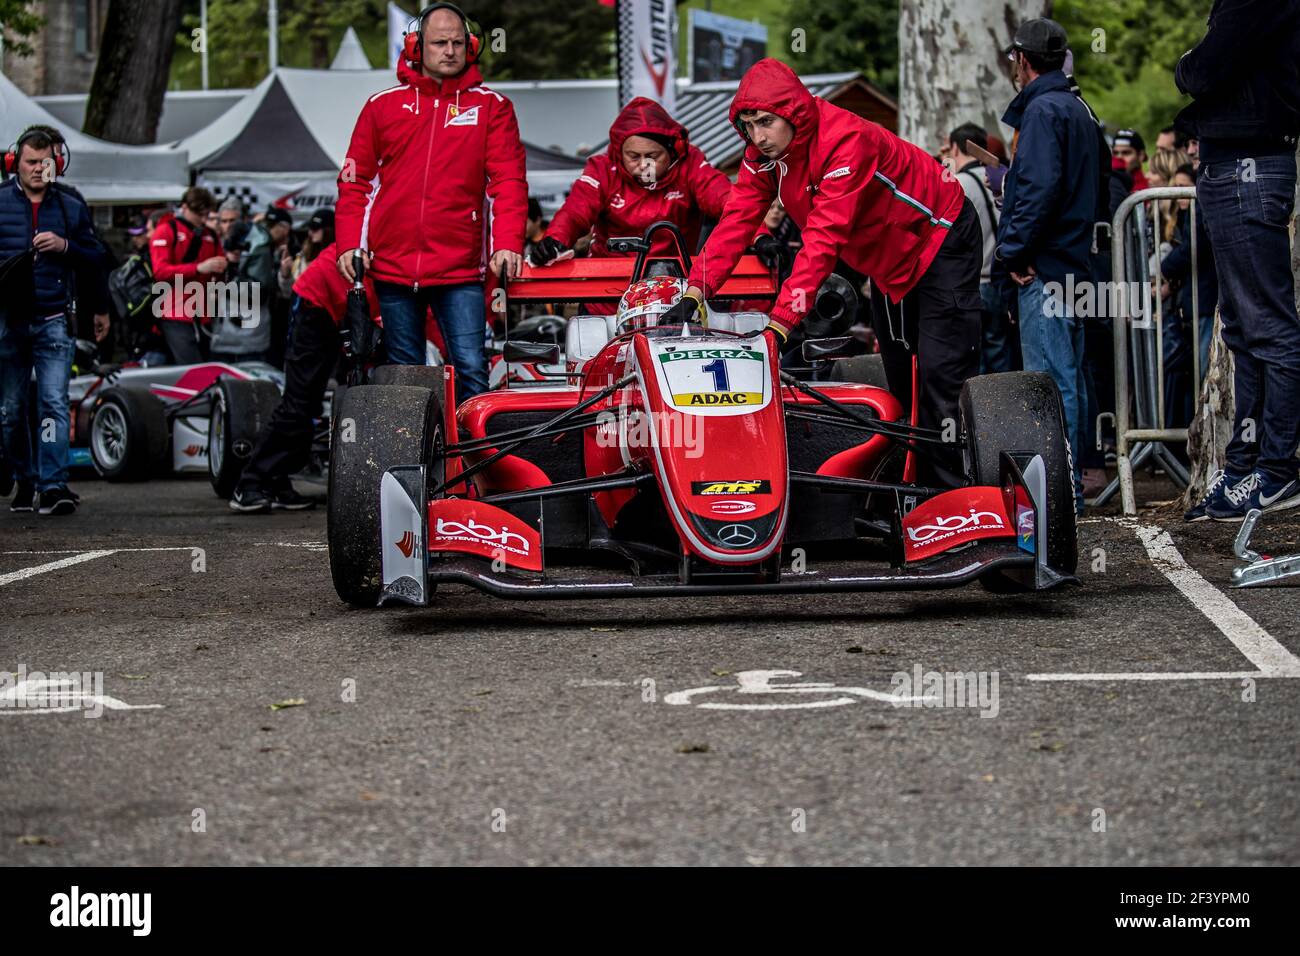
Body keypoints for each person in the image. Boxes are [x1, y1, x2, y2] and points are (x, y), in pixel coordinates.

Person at [659, 57, 981, 488]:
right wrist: (693, 292)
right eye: (748, 125)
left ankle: (950, 497)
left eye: (766, 123)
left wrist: (780, 325)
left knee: (940, 378)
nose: (757, 137)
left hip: (941, 236)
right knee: (902, 378)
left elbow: (822, 241)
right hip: (887, 258)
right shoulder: (762, 154)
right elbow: (736, 221)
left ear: (792, 113)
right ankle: (906, 487)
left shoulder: (848, 140)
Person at [336, 2, 527, 402]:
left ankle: (474, 463)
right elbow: (356, 182)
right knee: (404, 377)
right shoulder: (380, 106)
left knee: (472, 369)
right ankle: (415, 463)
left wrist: (508, 243)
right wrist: (350, 243)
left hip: (460, 269)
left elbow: (508, 181)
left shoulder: (493, 107)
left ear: (471, 46)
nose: (450, 50)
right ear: (415, 46)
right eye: (440, 42)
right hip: (392, 267)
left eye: (459, 42)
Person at [1176, 0, 1300, 520]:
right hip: (1240, 165)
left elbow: (1205, 68)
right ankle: (1248, 467)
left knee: (1267, 330)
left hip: (1248, 167)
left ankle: (1275, 471)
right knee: (1246, 334)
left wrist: (1187, 65)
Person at [995, 18, 1101, 515]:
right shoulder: (1077, 107)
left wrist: (1013, 252)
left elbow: (1038, 190)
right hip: (1073, 263)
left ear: (1022, 60)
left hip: (1046, 269)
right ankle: (1068, 490)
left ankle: (1061, 498)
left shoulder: (1043, 111)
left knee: (1049, 384)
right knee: (1067, 380)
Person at [531, 95, 733, 302]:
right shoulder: (602, 168)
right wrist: (555, 239)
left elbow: (729, 201)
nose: (644, 164)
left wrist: (759, 237)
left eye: (653, 156)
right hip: (607, 290)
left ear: (673, 151)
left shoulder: (690, 163)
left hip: (675, 290)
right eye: (634, 156)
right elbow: (576, 211)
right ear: (619, 153)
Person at [230, 241, 378, 512]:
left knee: (308, 406)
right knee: (298, 404)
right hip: (316, 303)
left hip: (345, 306)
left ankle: (276, 481)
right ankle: (250, 483)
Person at [0, 126, 103, 515]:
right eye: (30, 162)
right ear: (15, 162)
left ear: (56, 163)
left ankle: (53, 483)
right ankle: (25, 479)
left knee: (53, 403)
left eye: (44, 163)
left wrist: (65, 247)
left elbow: (96, 259)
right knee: (10, 410)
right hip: (8, 321)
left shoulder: (70, 206)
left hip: (53, 319)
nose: (37, 170)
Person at [945, 122, 1012, 373]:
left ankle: (980, 411)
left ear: (954, 147)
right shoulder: (1000, 180)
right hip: (1000, 278)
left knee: (976, 357)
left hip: (971, 283)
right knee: (1001, 353)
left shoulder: (956, 183)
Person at [151, 186, 226, 365]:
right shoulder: (166, 231)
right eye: (198, 214)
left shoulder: (211, 235)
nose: (203, 219)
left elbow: (220, 270)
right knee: (192, 370)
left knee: (203, 367)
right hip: (174, 314)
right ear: (184, 207)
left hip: (204, 314)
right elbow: (160, 272)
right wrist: (198, 268)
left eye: (206, 214)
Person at [215, 205, 290, 364]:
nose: (228, 226)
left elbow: (258, 293)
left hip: (251, 341)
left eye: (233, 221)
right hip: (219, 341)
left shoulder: (260, 251)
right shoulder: (215, 253)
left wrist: (225, 285)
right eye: (224, 221)